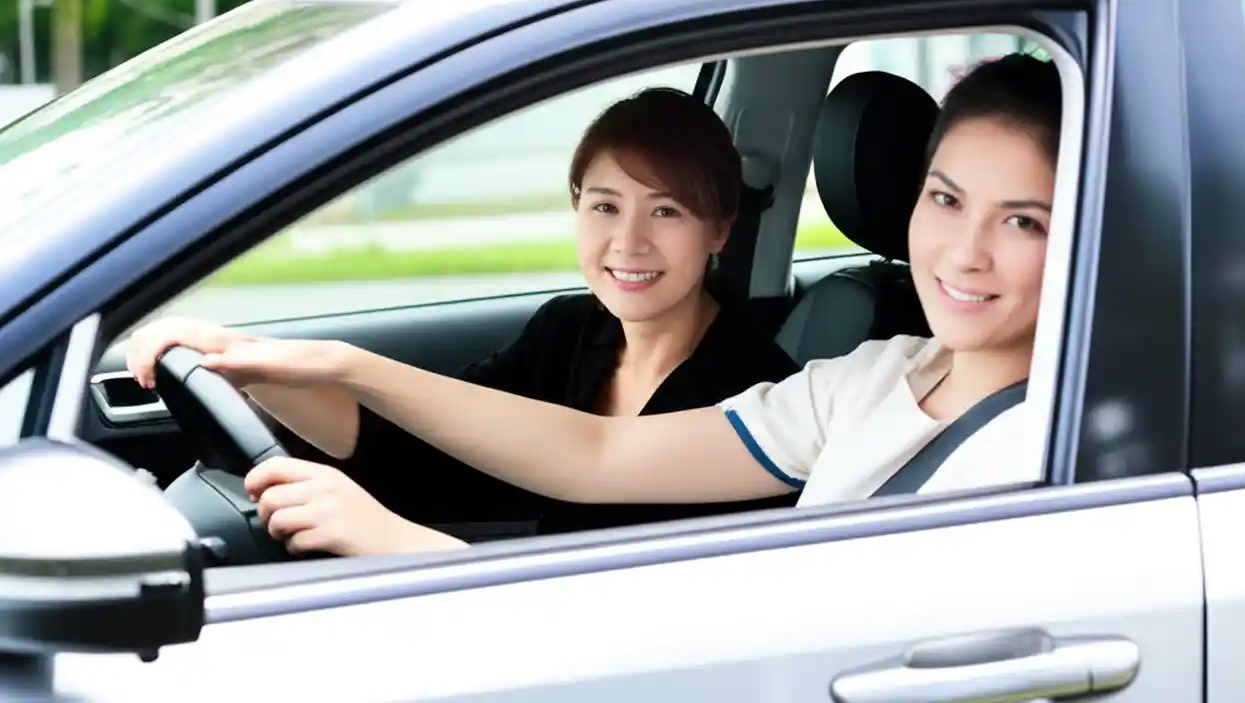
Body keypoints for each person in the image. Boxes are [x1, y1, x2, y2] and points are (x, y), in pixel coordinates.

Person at [138, 53, 1061, 557]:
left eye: (1022, 220)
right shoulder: (866, 380)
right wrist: (325, 364)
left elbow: (699, 656)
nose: (964, 252)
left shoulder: (1061, 442)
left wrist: (409, 556)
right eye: (945, 198)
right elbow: (593, 453)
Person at [127, 87, 801, 554]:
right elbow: (417, 457)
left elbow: (642, 618)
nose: (628, 242)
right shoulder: (568, 332)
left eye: (666, 212)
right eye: (603, 207)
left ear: (720, 229)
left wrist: (400, 545)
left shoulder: (757, 401)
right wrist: (243, 363)